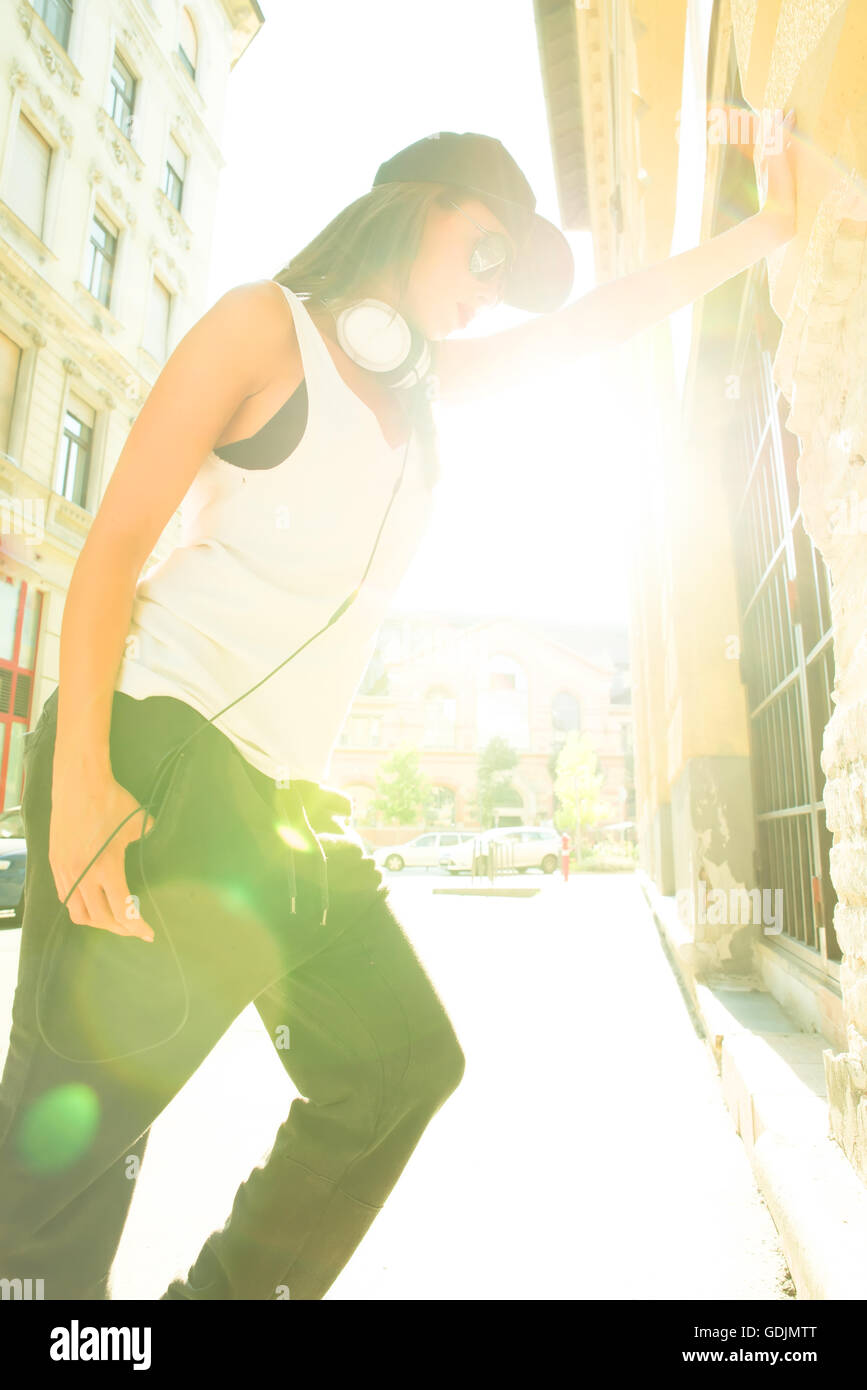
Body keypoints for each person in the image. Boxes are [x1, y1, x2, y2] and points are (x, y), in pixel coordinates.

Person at [0, 123, 797, 1301]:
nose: (485, 299)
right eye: (483, 255)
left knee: (396, 1062)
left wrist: (767, 231)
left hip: (280, 803)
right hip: (155, 747)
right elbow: (114, 544)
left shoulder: (429, 385)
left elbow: (592, 327)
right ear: (414, 208)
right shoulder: (261, 327)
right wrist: (77, 789)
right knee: (58, 1177)